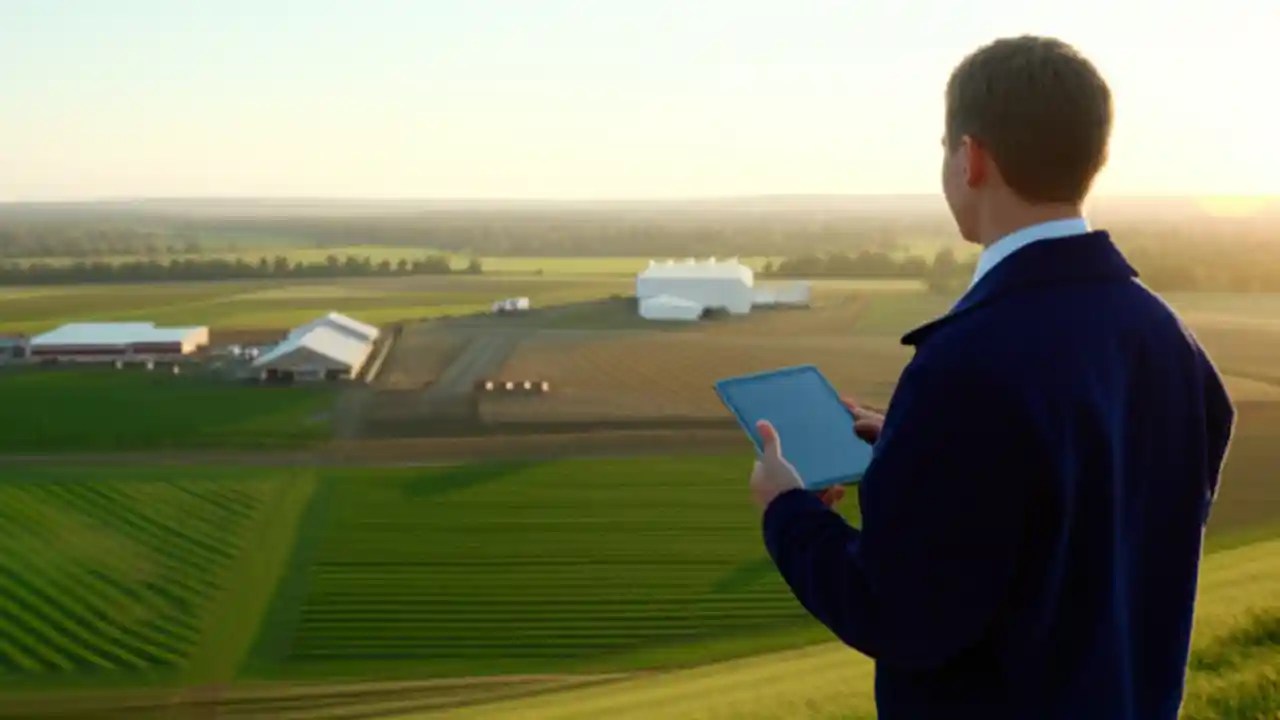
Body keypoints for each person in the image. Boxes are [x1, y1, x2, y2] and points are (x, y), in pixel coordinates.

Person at [750, 35, 1235, 719]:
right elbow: (1085, 518)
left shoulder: (964, 366)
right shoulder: (1167, 339)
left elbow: (899, 612)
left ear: (971, 158)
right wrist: (914, 448)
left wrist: (786, 511)